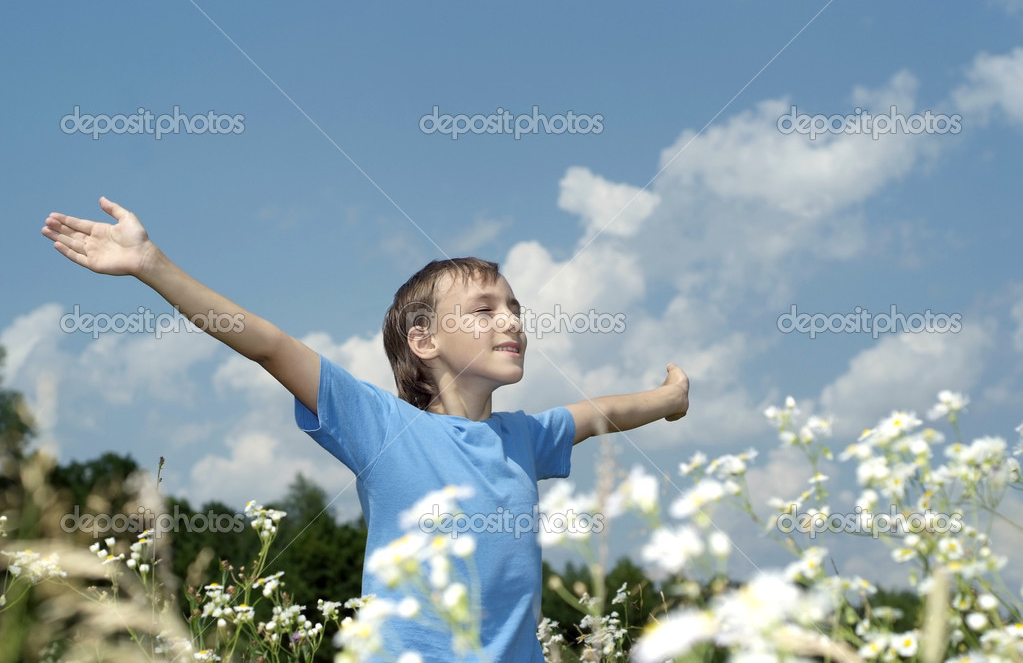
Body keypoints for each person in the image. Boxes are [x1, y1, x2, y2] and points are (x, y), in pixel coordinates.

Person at [42, 197, 690, 662]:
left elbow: (600, 413)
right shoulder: (382, 426)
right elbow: (267, 345)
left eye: (516, 310)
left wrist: (666, 398)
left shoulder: (525, 437)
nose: (512, 322)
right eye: (485, 309)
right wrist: (152, 265)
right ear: (423, 339)